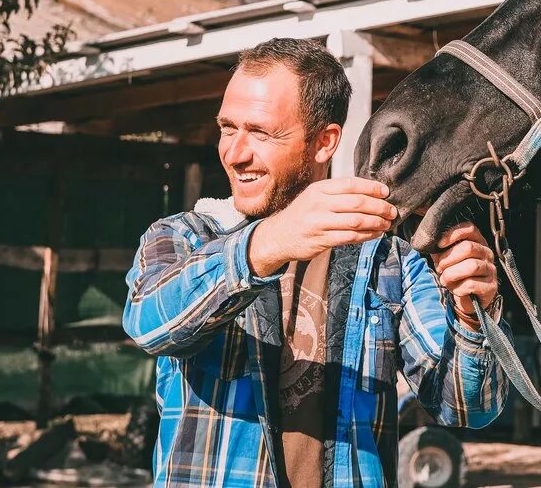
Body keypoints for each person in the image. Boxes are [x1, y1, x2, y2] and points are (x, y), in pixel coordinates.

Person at [123, 37, 509, 487]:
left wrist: (471, 316)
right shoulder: (183, 236)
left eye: (261, 132)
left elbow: (467, 407)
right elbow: (150, 324)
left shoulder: (388, 259)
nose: (234, 152)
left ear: (324, 143)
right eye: (228, 128)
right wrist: (267, 243)